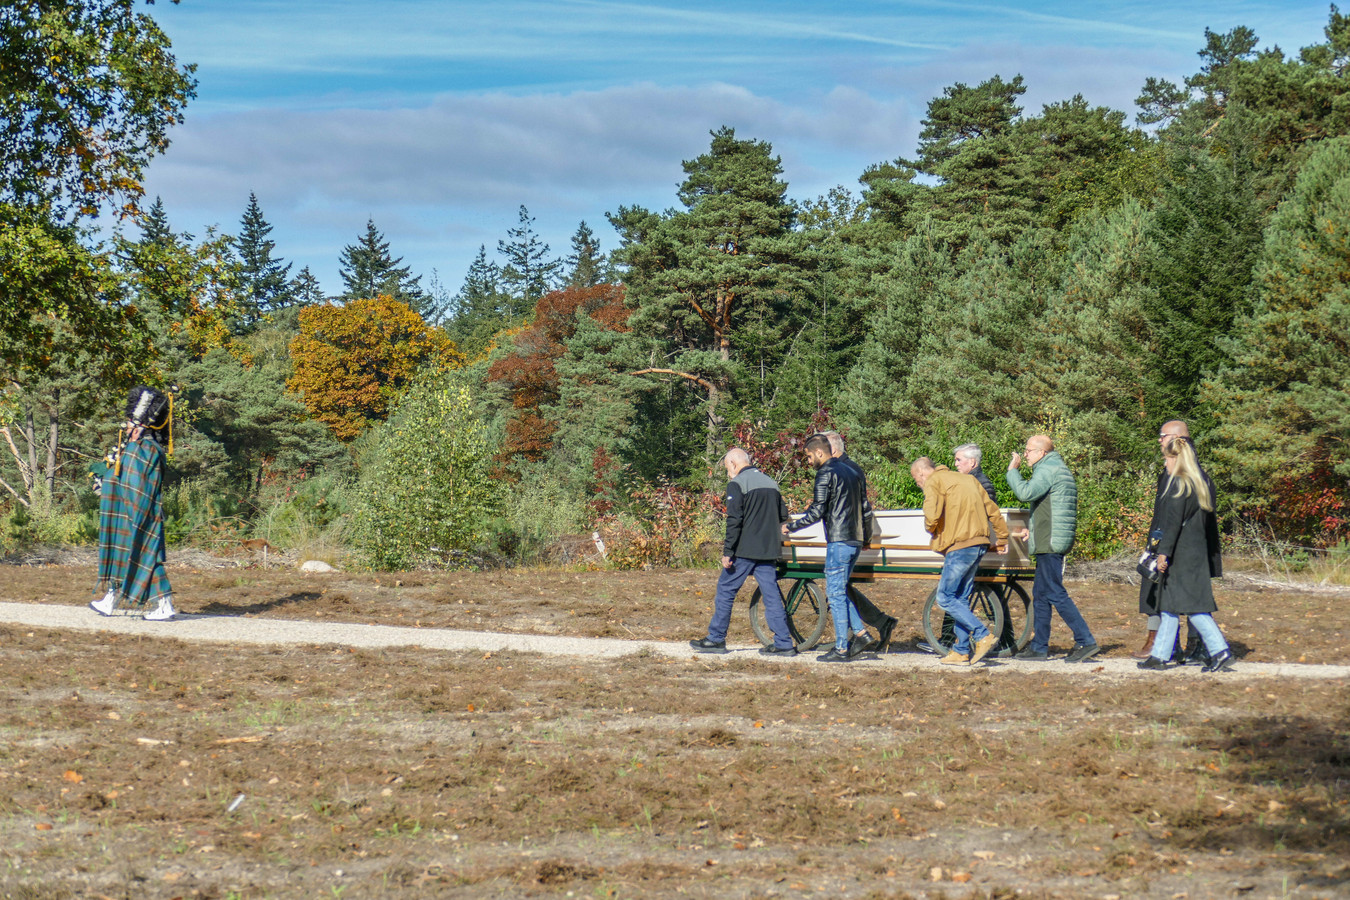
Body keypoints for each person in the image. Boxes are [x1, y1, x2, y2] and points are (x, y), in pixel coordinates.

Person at [1138, 436, 1234, 672]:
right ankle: (1160, 655)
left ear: (1176, 458)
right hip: (1194, 553)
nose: (1165, 463)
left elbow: (1172, 525)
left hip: (1180, 555)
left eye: (1167, 458)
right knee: (1170, 605)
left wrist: (1163, 554)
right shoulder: (1198, 483)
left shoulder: (1178, 485)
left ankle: (1220, 651)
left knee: (1194, 608)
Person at [690, 448, 797, 656]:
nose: (728, 473)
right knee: (772, 596)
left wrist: (728, 551)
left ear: (733, 464)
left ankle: (716, 639)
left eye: (727, 469)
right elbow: (783, 514)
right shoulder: (771, 483)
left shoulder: (737, 484)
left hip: (745, 551)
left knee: (725, 590)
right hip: (768, 551)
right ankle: (784, 643)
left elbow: (734, 521)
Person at [1006, 435, 1099, 662]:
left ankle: (1085, 641)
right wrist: (1033, 530)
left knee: (1055, 592)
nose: (1025, 454)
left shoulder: (1048, 469)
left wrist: (1012, 471)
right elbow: (1048, 508)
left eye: (1028, 450)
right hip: (1048, 538)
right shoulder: (1056, 468)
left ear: (1042, 453)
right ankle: (1039, 647)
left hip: (1050, 542)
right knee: (1041, 594)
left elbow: (1025, 493)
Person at [785, 433, 875, 662]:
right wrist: (865, 538)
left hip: (839, 540)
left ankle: (842, 649)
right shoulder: (853, 472)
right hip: (854, 540)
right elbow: (865, 509)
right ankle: (861, 634)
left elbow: (817, 511)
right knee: (839, 590)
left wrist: (791, 527)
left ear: (819, 452)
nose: (807, 461)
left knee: (834, 593)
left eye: (807, 456)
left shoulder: (826, 473)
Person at [911, 457, 1009, 665]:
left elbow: (932, 515)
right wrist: (1002, 537)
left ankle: (982, 634)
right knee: (961, 598)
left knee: (945, 597)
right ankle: (961, 651)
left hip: (960, 545)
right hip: (980, 543)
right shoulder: (968, 479)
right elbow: (992, 509)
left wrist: (932, 529)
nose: (918, 484)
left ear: (921, 473)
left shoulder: (934, 482)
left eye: (916, 479)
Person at [90, 386, 177, 621]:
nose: (127, 426)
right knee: (128, 553)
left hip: (136, 511)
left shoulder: (145, 450)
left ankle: (165, 604)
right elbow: (122, 477)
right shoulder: (136, 447)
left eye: (130, 422)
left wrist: (105, 483)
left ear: (141, 426)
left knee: (145, 555)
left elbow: (133, 485)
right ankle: (110, 600)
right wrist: (104, 478)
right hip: (124, 510)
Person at [822, 431, 899, 651]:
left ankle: (864, 631)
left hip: (844, 539)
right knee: (841, 588)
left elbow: (859, 508)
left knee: (838, 589)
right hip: (851, 538)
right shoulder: (851, 468)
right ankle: (874, 625)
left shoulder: (843, 470)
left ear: (832, 449)